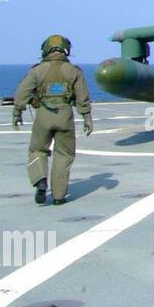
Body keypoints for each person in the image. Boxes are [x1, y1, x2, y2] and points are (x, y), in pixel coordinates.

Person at [12, 34, 93, 205]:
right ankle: (59, 196)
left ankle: (40, 180)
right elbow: (82, 97)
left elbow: (22, 93)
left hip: (43, 115)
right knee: (64, 154)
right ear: (66, 50)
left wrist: (17, 112)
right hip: (65, 115)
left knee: (37, 150)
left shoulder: (37, 70)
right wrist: (87, 118)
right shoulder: (74, 71)